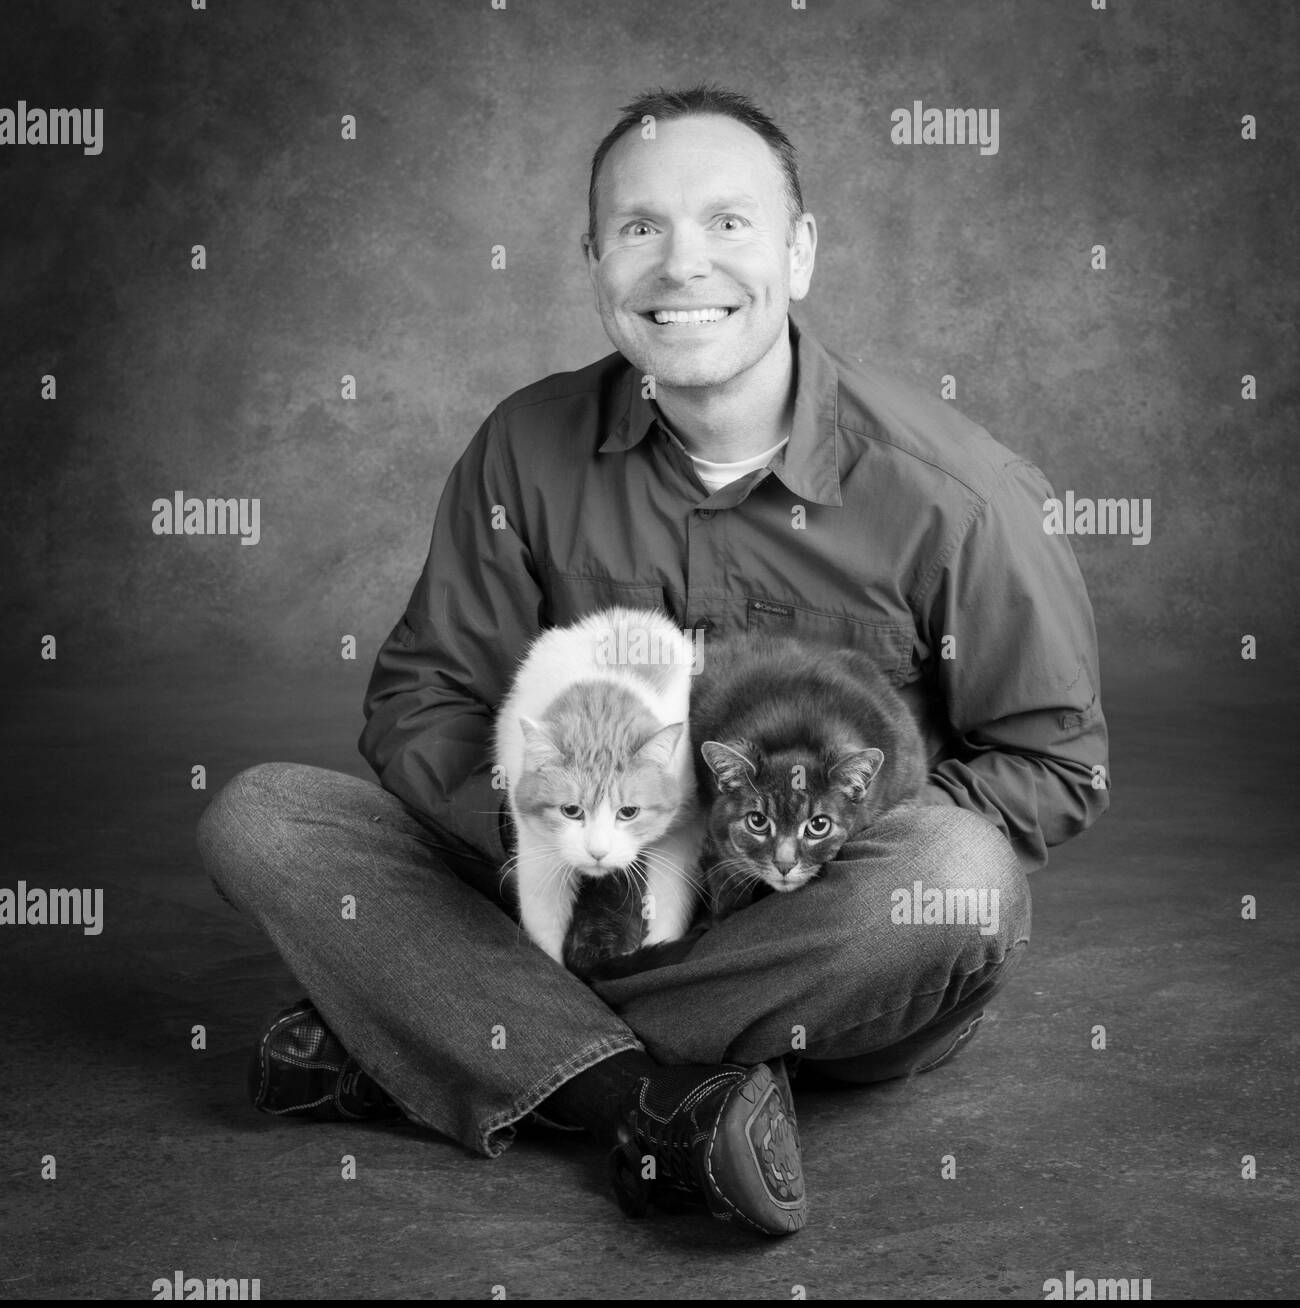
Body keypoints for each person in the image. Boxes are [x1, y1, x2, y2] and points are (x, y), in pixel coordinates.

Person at [197, 84, 1109, 1238]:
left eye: (728, 223)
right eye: (640, 228)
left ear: (801, 250)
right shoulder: (525, 444)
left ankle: (452, 1028)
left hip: (809, 925)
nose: (683, 266)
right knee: (265, 818)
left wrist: (786, 849)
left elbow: (1051, 768)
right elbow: (426, 695)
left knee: (961, 876)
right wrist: (571, 848)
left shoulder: (958, 497)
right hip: (581, 871)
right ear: (594, 259)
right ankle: (654, 1099)